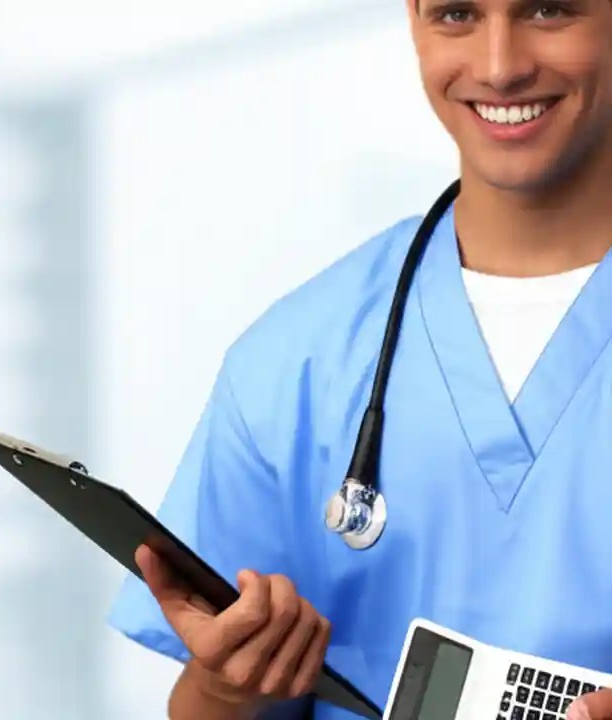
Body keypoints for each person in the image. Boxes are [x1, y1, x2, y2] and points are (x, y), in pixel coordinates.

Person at [106, 1, 612, 718]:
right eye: (458, 14)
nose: (501, 67)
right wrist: (224, 685)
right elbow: (215, 706)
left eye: (548, 9)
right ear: (413, 21)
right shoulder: (294, 364)